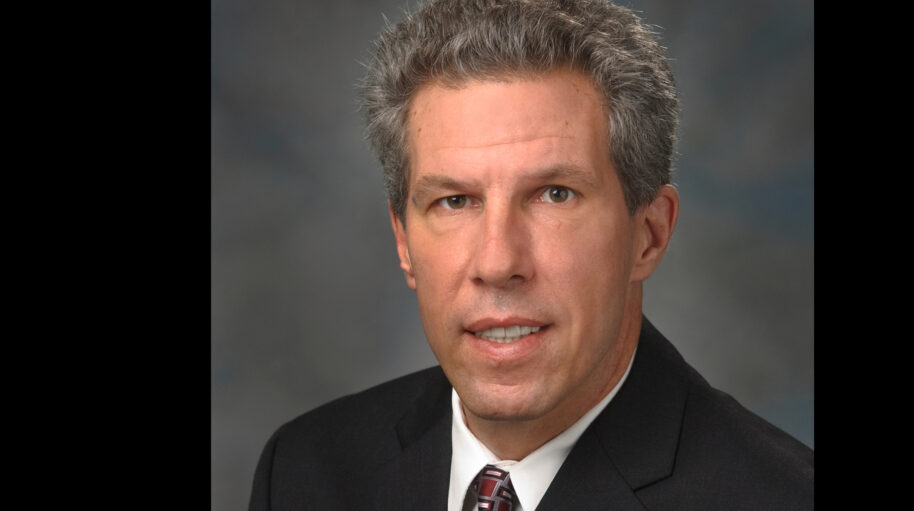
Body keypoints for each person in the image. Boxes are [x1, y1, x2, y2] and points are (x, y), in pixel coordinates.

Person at [249, 0, 813, 509]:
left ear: (649, 234)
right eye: (454, 201)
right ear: (403, 241)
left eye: (554, 195)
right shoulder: (305, 471)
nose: (497, 263)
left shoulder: (779, 496)